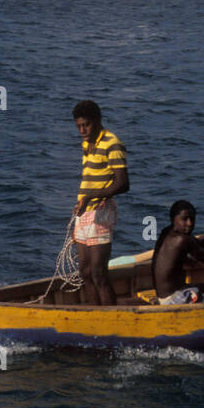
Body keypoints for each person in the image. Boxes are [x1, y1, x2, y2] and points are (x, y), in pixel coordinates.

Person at [71, 99, 128, 305]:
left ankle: (112, 319)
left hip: (101, 212)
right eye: (78, 126)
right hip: (84, 212)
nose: (83, 130)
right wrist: (82, 202)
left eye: (86, 125)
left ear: (98, 120)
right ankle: (93, 316)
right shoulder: (87, 143)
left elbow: (123, 184)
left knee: (98, 272)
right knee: (84, 272)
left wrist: (90, 197)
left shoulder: (112, 143)